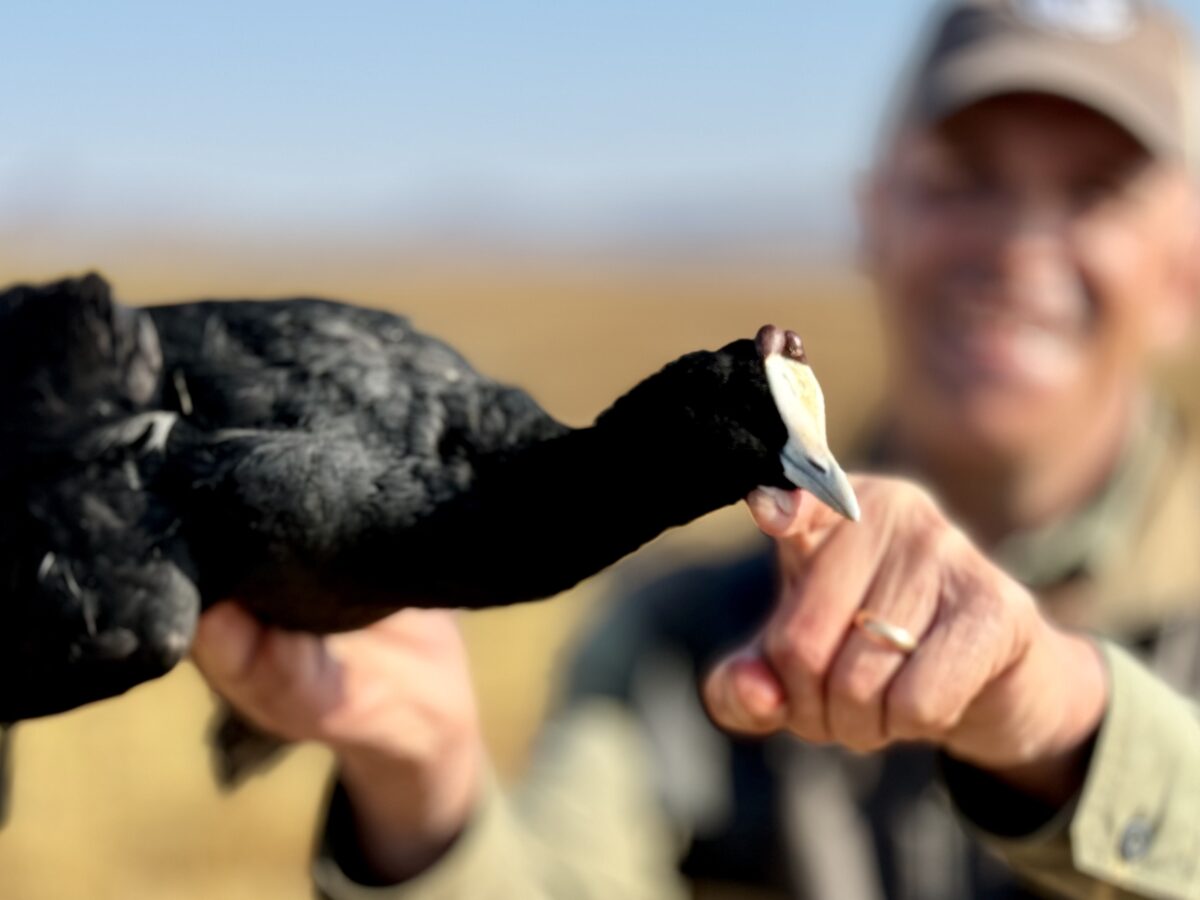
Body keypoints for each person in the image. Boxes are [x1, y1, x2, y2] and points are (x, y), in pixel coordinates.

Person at [193, 1, 1200, 897]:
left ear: (1186, 273)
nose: (1020, 247)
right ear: (873, 215)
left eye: (1096, 191)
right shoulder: (688, 644)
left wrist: (1063, 718)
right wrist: (430, 789)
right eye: (966, 177)